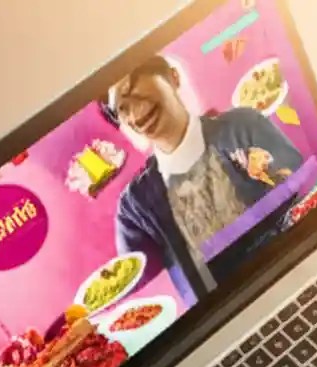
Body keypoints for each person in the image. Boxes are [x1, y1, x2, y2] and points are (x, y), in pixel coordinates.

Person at [106, 55, 304, 305]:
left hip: (294, 273)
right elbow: (142, 297)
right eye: (121, 108)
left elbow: (306, 193)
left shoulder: (243, 126)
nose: (134, 113)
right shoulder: (135, 208)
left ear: (173, 77)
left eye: (131, 87)